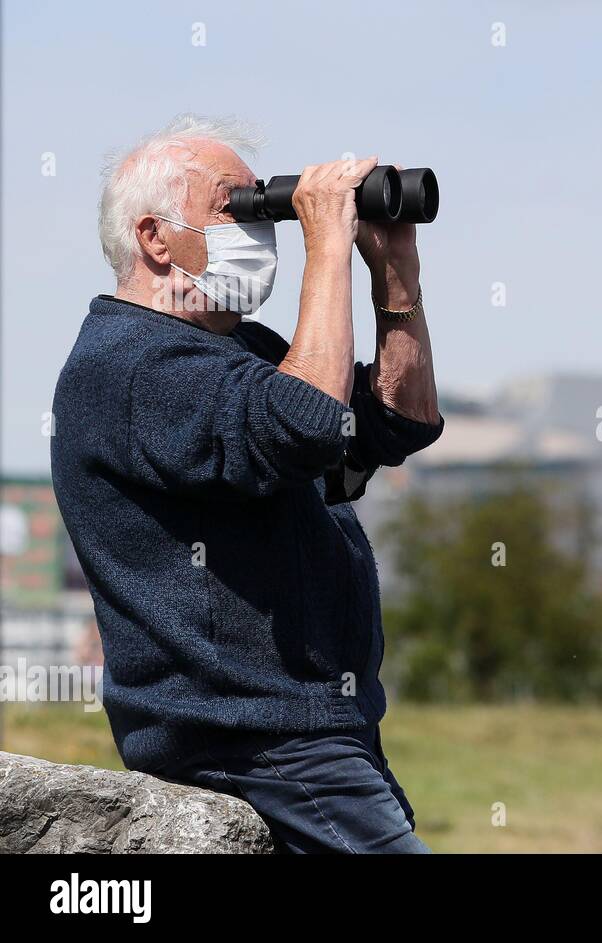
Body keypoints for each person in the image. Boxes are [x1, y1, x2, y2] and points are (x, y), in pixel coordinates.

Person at [51, 114, 442, 853]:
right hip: (251, 743)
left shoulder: (237, 352)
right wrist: (326, 246)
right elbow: (304, 425)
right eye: (235, 207)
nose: (263, 228)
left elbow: (402, 420)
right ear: (154, 238)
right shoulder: (127, 366)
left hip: (309, 733)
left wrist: (395, 272)